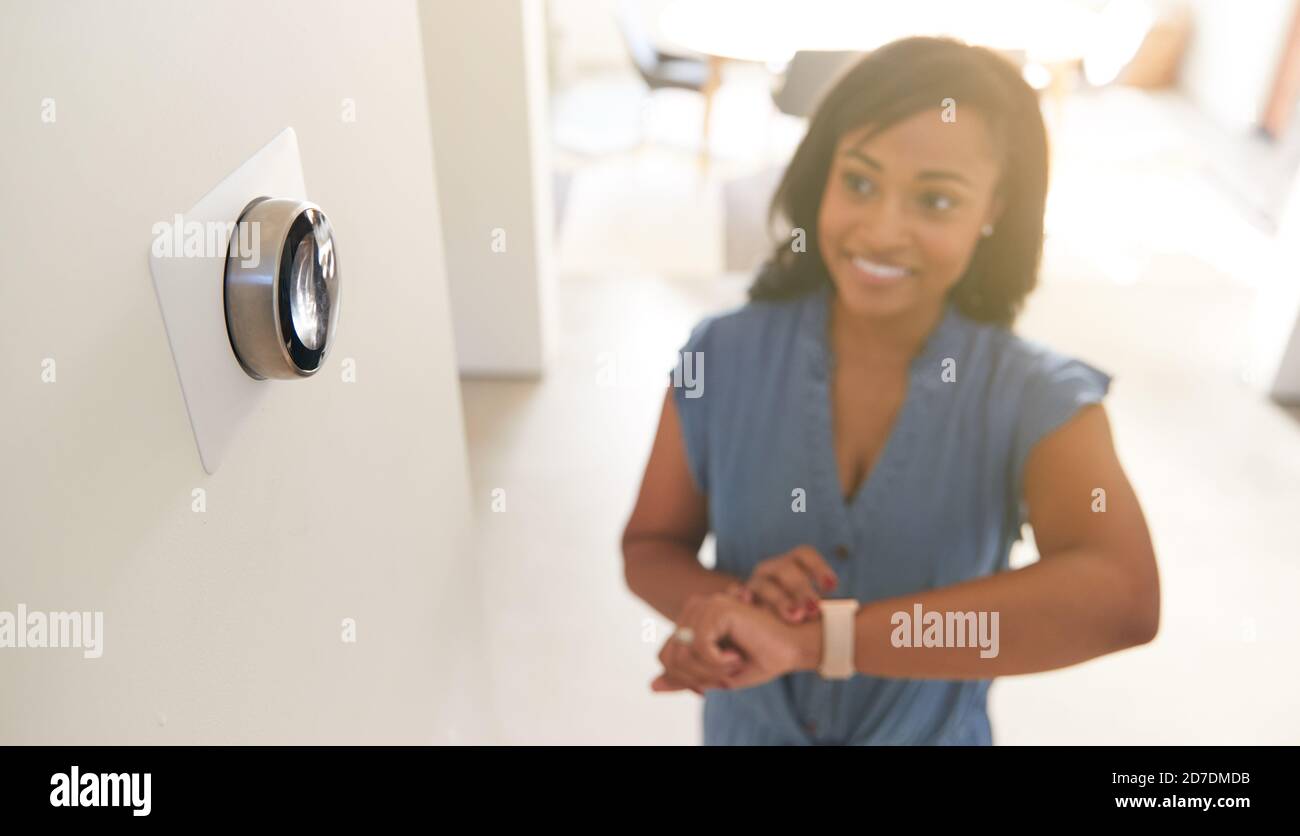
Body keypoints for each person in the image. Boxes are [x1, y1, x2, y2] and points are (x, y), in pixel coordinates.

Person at [621, 37, 1160, 745]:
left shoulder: (1037, 396)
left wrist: (823, 639)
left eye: (936, 199)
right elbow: (650, 545)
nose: (881, 231)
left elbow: (1122, 599)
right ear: (824, 177)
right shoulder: (717, 355)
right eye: (861, 182)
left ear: (994, 208)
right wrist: (723, 605)